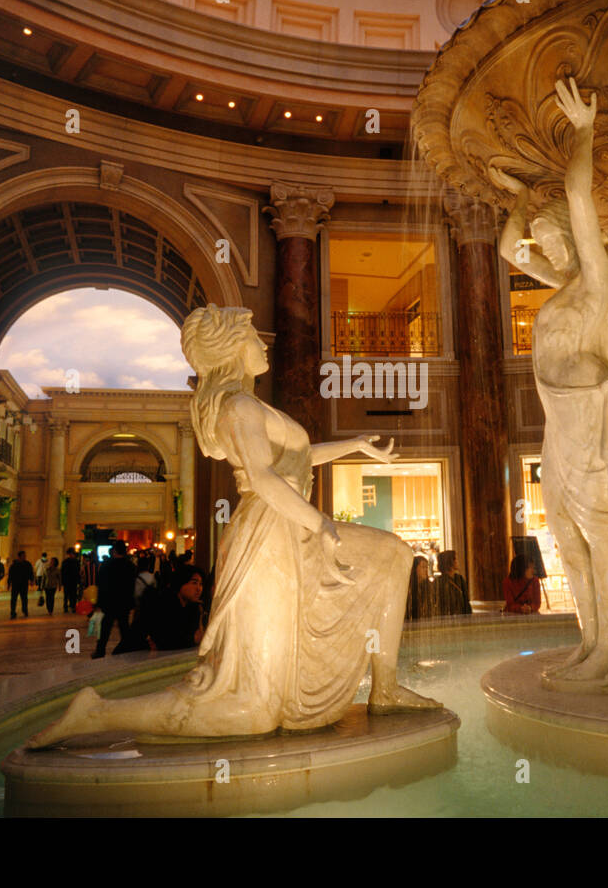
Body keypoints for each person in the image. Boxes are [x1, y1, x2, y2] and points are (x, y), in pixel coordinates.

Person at [30, 305, 438, 746]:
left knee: (394, 554)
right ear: (229, 348)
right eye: (252, 337)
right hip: (268, 537)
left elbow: (294, 460)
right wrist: (319, 522)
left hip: (286, 524)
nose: (262, 344)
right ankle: (98, 712)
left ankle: (386, 686)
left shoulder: (249, 405)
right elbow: (262, 478)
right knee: (254, 707)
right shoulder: (238, 407)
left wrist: (354, 445)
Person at [492, 77, 608, 694]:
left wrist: (585, 130)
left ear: (577, 241)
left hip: (591, 426)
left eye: (552, 240)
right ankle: (593, 641)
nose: (541, 249)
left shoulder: (599, 283)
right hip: (557, 426)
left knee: (604, 531)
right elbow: (504, 248)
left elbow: (576, 193)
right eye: (542, 243)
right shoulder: (563, 288)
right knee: (567, 534)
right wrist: (519, 200)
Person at [92, 540, 136, 658]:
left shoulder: (107, 565)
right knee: (124, 627)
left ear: (114, 551)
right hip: (124, 602)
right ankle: (128, 648)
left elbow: (101, 585)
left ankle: (100, 650)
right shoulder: (130, 566)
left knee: (105, 628)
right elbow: (132, 586)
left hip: (109, 602)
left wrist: (99, 602)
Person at [152, 564, 207, 651]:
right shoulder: (162, 604)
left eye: (201, 584)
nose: (199, 588)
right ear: (181, 583)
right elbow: (164, 640)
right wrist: (192, 639)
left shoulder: (193, 607)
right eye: (194, 583)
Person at [436, 550, 472, 615]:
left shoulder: (459, 578)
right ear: (450, 562)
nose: (458, 561)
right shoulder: (439, 582)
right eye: (456, 559)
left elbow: (466, 600)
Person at [404, 555, 436, 620]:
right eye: (423, 567)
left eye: (427, 567)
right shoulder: (407, 588)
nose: (426, 570)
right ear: (414, 568)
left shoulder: (429, 587)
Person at [7, 550, 34, 619]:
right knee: (14, 599)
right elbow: (10, 575)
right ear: (19, 556)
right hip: (15, 584)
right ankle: (13, 612)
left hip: (24, 584)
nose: (25, 557)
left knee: (24, 598)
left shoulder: (27, 564)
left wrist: (31, 580)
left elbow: (31, 572)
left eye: (25, 556)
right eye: (23, 556)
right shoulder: (14, 565)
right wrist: (9, 583)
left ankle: (25, 610)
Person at [60, 548, 81, 614]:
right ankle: (69, 607)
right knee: (69, 594)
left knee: (70, 594)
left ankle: (70, 607)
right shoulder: (75, 561)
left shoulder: (67, 561)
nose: (72, 555)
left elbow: (78, 572)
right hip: (70, 581)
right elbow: (63, 572)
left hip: (70, 581)